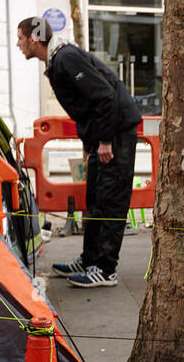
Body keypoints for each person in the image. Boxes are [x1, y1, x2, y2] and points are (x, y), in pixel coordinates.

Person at [16, 15, 141, 288]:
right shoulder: (57, 60)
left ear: (34, 39)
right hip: (103, 136)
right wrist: (91, 145)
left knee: (110, 201)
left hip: (116, 133)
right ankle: (89, 260)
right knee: (94, 200)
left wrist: (105, 141)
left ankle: (106, 270)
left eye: (21, 38)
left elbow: (105, 97)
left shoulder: (66, 59)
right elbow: (87, 108)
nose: (18, 44)